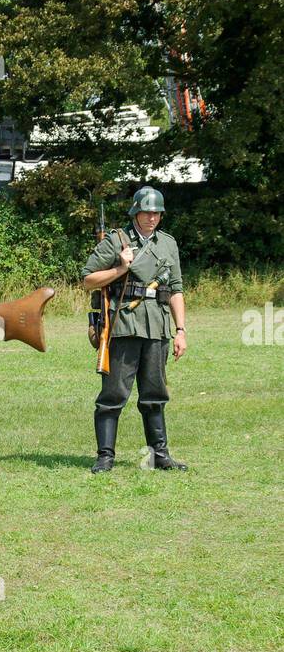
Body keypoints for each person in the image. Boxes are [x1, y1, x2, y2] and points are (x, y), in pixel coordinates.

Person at [83, 186, 188, 472]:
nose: (152, 218)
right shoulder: (116, 241)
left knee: (155, 394)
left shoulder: (168, 244)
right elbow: (88, 280)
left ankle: (160, 456)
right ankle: (105, 457)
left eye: (157, 213)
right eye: (147, 212)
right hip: (124, 325)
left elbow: (176, 290)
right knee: (114, 395)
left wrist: (180, 330)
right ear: (136, 212)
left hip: (157, 326)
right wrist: (120, 268)